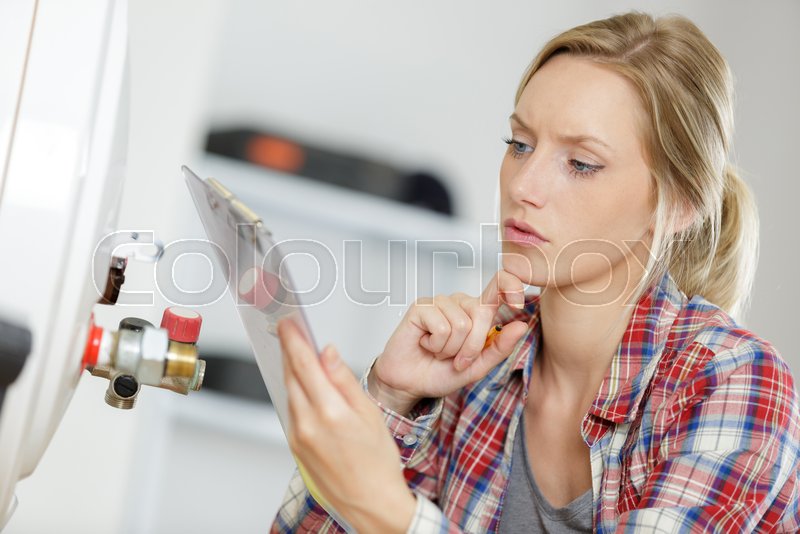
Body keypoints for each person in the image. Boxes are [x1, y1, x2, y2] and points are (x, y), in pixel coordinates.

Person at [270, 11, 800, 533]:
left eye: (581, 164)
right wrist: (390, 397)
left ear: (679, 204)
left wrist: (392, 515)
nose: (523, 185)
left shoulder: (730, 381)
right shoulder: (480, 372)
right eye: (520, 145)